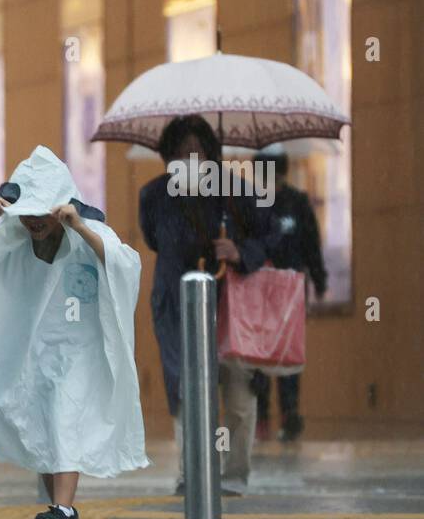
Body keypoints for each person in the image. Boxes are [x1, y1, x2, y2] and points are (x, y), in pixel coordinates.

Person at [0, 147, 147, 519]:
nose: (33, 220)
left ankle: (64, 512)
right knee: (47, 428)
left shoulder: (88, 232)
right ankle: (62, 513)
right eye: (25, 211)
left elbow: (123, 266)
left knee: (65, 416)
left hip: (81, 351)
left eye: (41, 210)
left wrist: (80, 227)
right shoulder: (11, 242)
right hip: (37, 354)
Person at [138, 115, 278, 496]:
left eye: (198, 152)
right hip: (176, 302)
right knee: (185, 388)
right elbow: (153, 239)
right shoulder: (153, 196)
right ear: (168, 158)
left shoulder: (236, 192)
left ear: (212, 154)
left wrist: (240, 250)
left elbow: (271, 236)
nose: (190, 160)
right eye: (181, 154)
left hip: (233, 306)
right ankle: (192, 472)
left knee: (237, 392)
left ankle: (233, 475)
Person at [251, 147, 327, 442]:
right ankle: (261, 416)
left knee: (287, 353)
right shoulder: (252, 203)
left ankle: (289, 413)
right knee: (257, 355)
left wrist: (318, 278)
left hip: (291, 290)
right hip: (258, 289)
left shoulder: (297, 203)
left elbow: (311, 244)